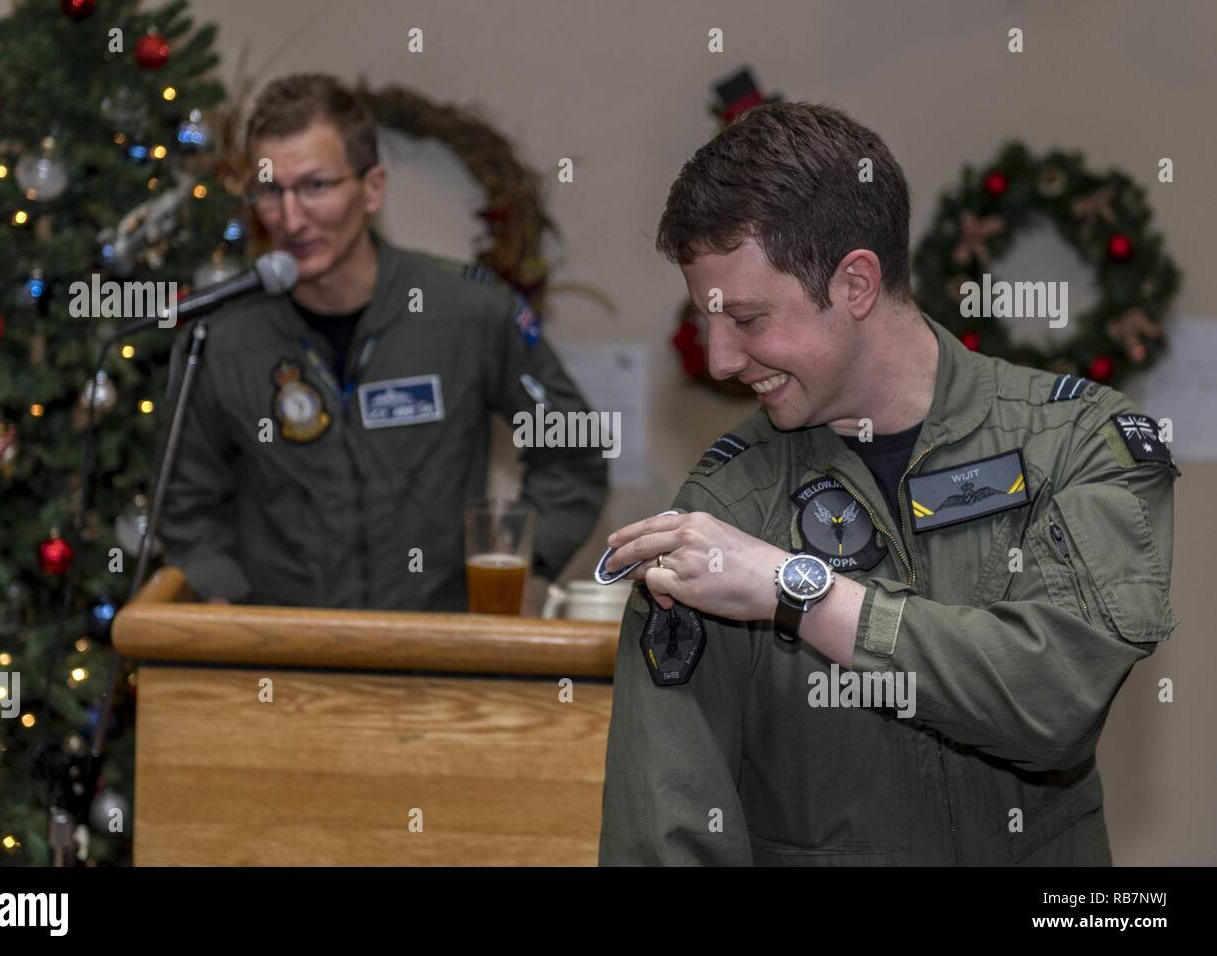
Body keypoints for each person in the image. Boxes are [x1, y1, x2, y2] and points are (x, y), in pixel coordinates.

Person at [598, 100, 1177, 865]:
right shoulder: (722, 510)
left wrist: (797, 591)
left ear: (857, 284)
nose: (719, 360)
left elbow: (1055, 699)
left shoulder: (1075, 442)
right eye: (706, 319)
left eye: (746, 317)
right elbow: (664, 834)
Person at [157, 73, 607, 610]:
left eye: (315, 186)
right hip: (282, 664)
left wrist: (521, 568)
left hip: (439, 655)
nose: (291, 218)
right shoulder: (219, 338)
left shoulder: (468, 312)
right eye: (271, 191)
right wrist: (222, 598)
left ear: (372, 188)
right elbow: (185, 503)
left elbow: (571, 450)